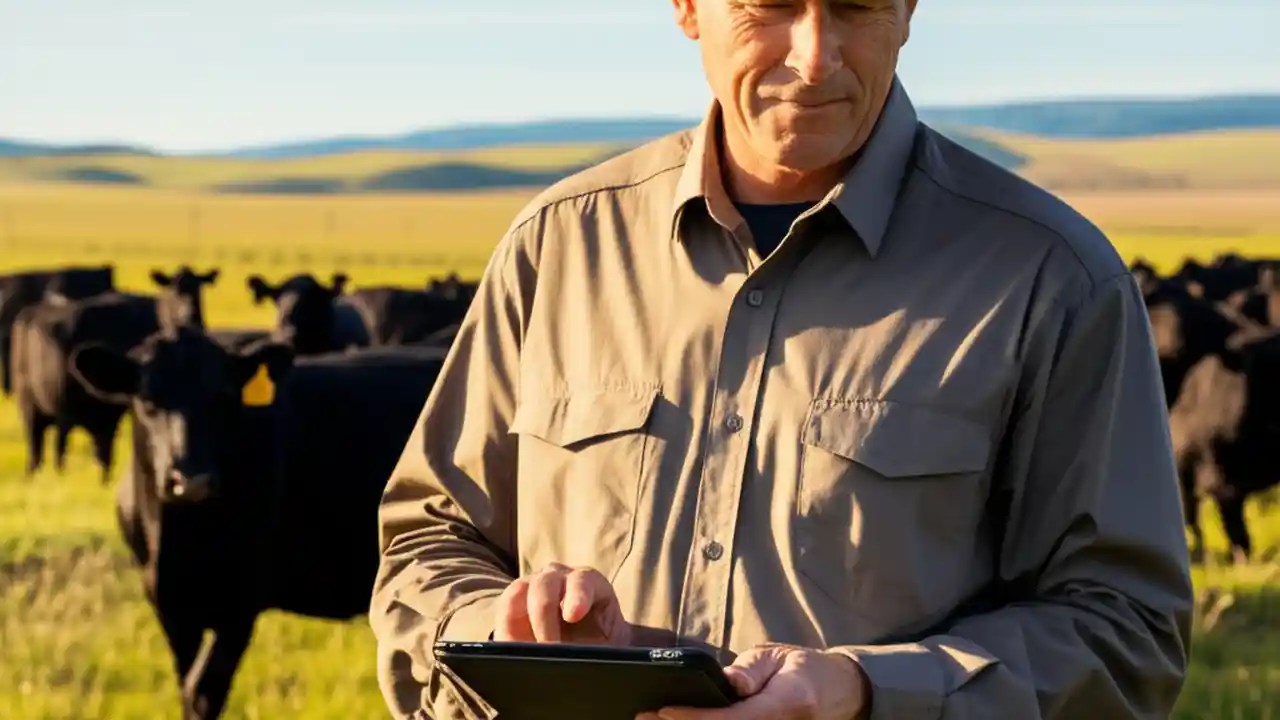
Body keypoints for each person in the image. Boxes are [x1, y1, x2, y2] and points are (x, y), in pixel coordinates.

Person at [370, 1, 1193, 717]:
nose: (814, 55)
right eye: (769, 5)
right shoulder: (557, 247)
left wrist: (869, 692)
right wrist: (510, 632)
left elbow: (1126, 630)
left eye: (857, 7)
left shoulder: (1053, 278)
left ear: (910, 10)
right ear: (688, 6)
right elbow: (425, 547)